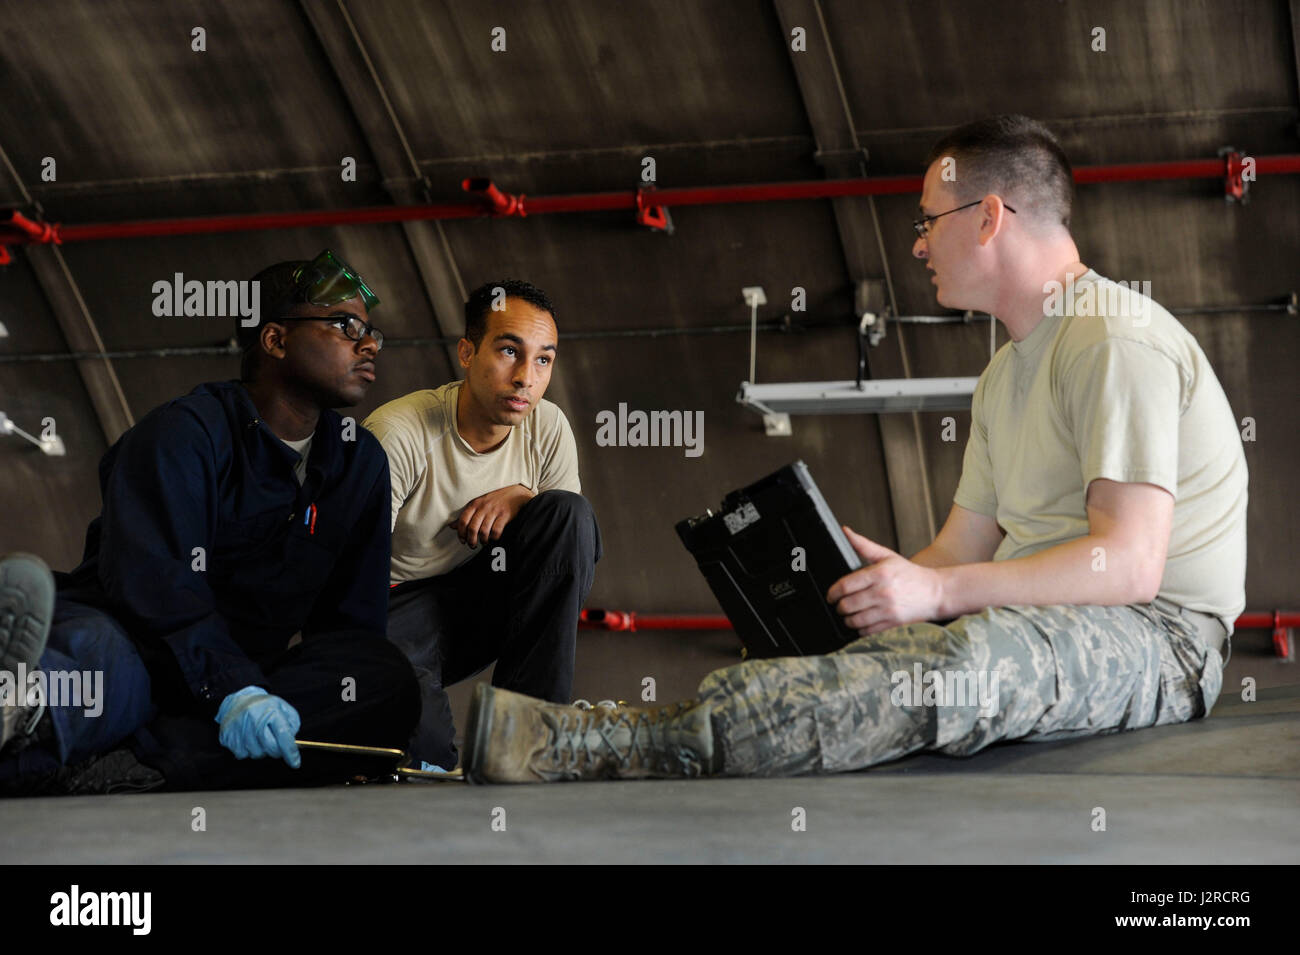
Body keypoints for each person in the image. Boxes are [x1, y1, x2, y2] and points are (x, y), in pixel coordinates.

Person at [460, 115, 1248, 783]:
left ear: (990, 217)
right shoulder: (1003, 375)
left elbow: (1130, 566)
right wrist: (878, 581)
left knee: (957, 662)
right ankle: (642, 723)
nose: (917, 244)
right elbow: (960, 549)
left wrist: (938, 598)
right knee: (870, 638)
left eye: (927, 220)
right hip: (1040, 615)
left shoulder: (1113, 337)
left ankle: (616, 747)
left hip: (1162, 635)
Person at [0, 250, 419, 794]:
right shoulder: (182, 435)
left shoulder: (358, 462)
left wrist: (375, 729)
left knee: (378, 676)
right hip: (146, 646)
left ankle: (122, 761)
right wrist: (231, 688)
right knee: (103, 659)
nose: (368, 345)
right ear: (275, 340)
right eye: (345, 326)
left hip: (249, 683)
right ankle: (29, 707)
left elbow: (350, 627)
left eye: (371, 333)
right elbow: (156, 588)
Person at [364, 279, 600, 772]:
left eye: (543, 360)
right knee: (423, 764)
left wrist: (527, 498)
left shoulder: (548, 426)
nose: (525, 378)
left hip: (482, 598)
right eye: (510, 351)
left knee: (566, 513)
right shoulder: (399, 432)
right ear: (467, 352)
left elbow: (569, 557)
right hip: (391, 613)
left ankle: (526, 740)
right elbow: (349, 578)